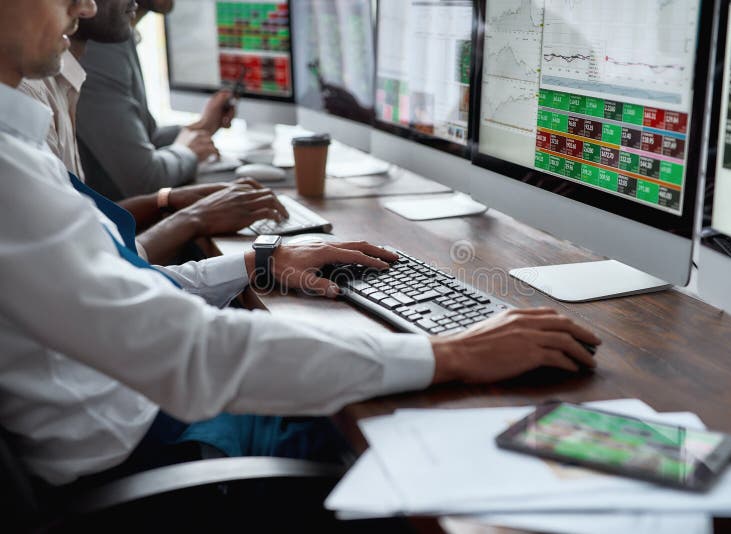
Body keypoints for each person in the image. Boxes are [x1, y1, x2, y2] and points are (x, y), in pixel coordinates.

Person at [0, 0, 600, 490]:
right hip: (159, 460)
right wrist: (453, 354)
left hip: (152, 417)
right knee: (452, 444)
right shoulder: (10, 176)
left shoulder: (19, 149)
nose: (86, 5)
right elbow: (196, 353)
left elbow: (126, 294)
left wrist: (260, 260)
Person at [16, 0, 288, 265]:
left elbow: (81, 220)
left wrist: (165, 201)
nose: (85, 7)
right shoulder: (39, 90)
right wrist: (191, 217)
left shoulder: (85, 61)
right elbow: (87, 268)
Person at [75, 0, 234, 200]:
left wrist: (203, 126)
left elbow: (144, 137)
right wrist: (187, 151)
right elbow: (143, 179)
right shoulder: (100, 44)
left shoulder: (122, 35)